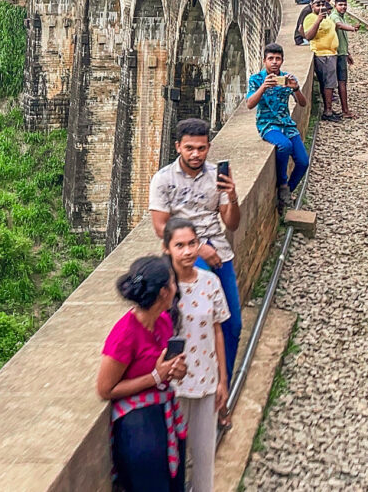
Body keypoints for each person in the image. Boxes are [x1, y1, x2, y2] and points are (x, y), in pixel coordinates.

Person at [149, 118, 241, 405]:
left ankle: (221, 388)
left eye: (201, 148)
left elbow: (232, 224)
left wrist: (232, 196)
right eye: (189, 148)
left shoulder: (216, 176)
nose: (195, 154)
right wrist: (198, 247)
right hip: (185, 257)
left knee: (232, 326)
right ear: (178, 147)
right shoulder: (164, 179)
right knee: (196, 324)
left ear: (208, 147)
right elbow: (161, 227)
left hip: (220, 252)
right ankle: (195, 393)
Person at [97, 256, 187, 492]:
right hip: (138, 428)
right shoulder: (125, 334)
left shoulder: (164, 322)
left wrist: (175, 371)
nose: (176, 288)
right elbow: (105, 388)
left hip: (162, 414)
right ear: (163, 293)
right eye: (172, 284)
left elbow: (164, 369)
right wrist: (155, 377)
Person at [165, 218, 229, 492]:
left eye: (192, 243)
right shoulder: (164, 289)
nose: (188, 251)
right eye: (180, 245)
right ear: (167, 249)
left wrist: (222, 380)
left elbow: (217, 332)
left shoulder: (211, 282)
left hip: (205, 383)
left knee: (204, 462)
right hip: (173, 388)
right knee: (174, 465)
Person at [246, 43, 309, 209]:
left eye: (277, 59)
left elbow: (302, 103)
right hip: (267, 125)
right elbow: (250, 104)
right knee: (284, 146)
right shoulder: (256, 79)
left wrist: (296, 89)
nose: (274, 62)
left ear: (282, 61)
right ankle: (282, 185)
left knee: (303, 162)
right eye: (271, 59)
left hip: (287, 125)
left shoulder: (287, 78)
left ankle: (286, 193)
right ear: (264, 61)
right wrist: (263, 87)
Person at [303, 0, 341, 121]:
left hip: (331, 53)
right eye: (317, 4)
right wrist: (318, 20)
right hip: (322, 54)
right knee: (328, 84)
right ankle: (327, 112)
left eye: (322, 4)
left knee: (329, 84)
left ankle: (329, 110)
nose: (320, 7)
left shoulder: (328, 17)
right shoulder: (310, 18)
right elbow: (308, 36)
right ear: (311, 6)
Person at [332, 0, 360, 118]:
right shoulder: (334, 17)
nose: (343, 7)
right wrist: (352, 28)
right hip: (337, 54)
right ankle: (345, 111)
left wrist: (347, 53)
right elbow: (339, 26)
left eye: (345, 5)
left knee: (341, 82)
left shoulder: (341, 17)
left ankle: (344, 109)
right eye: (340, 5)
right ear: (335, 5)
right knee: (342, 82)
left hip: (342, 53)